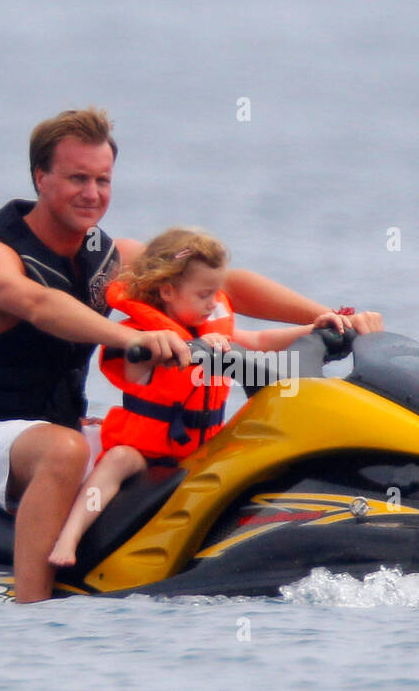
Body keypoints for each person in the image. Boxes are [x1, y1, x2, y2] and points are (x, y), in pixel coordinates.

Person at [0, 106, 383, 603]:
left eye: (102, 179)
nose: (92, 193)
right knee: (65, 450)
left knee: (200, 454)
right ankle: (34, 614)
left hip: (66, 427)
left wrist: (330, 317)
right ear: (40, 177)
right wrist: (129, 339)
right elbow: (38, 303)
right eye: (77, 178)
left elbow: (220, 283)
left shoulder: (111, 254)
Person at [47, 228, 339, 567]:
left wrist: (315, 329)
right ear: (168, 291)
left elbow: (259, 339)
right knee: (117, 461)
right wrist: (177, 349)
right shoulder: (138, 336)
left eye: (216, 293)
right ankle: (68, 540)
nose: (214, 303)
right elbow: (134, 368)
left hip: (203, 448)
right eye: (204, 294)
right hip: (145, 449)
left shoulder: (211, 329)